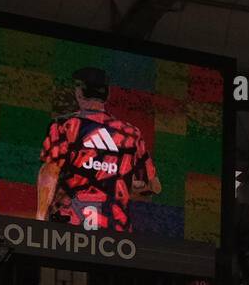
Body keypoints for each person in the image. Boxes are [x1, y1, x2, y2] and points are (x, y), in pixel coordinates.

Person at [35, 67, 161, 234]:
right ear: (107, 94)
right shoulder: (131, 135)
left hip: (68, 229)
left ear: (79, 92)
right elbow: (154, 187)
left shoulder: (65, 126)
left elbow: (50, 172)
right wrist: (120, 183)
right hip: (115, 234)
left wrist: (39, 219)